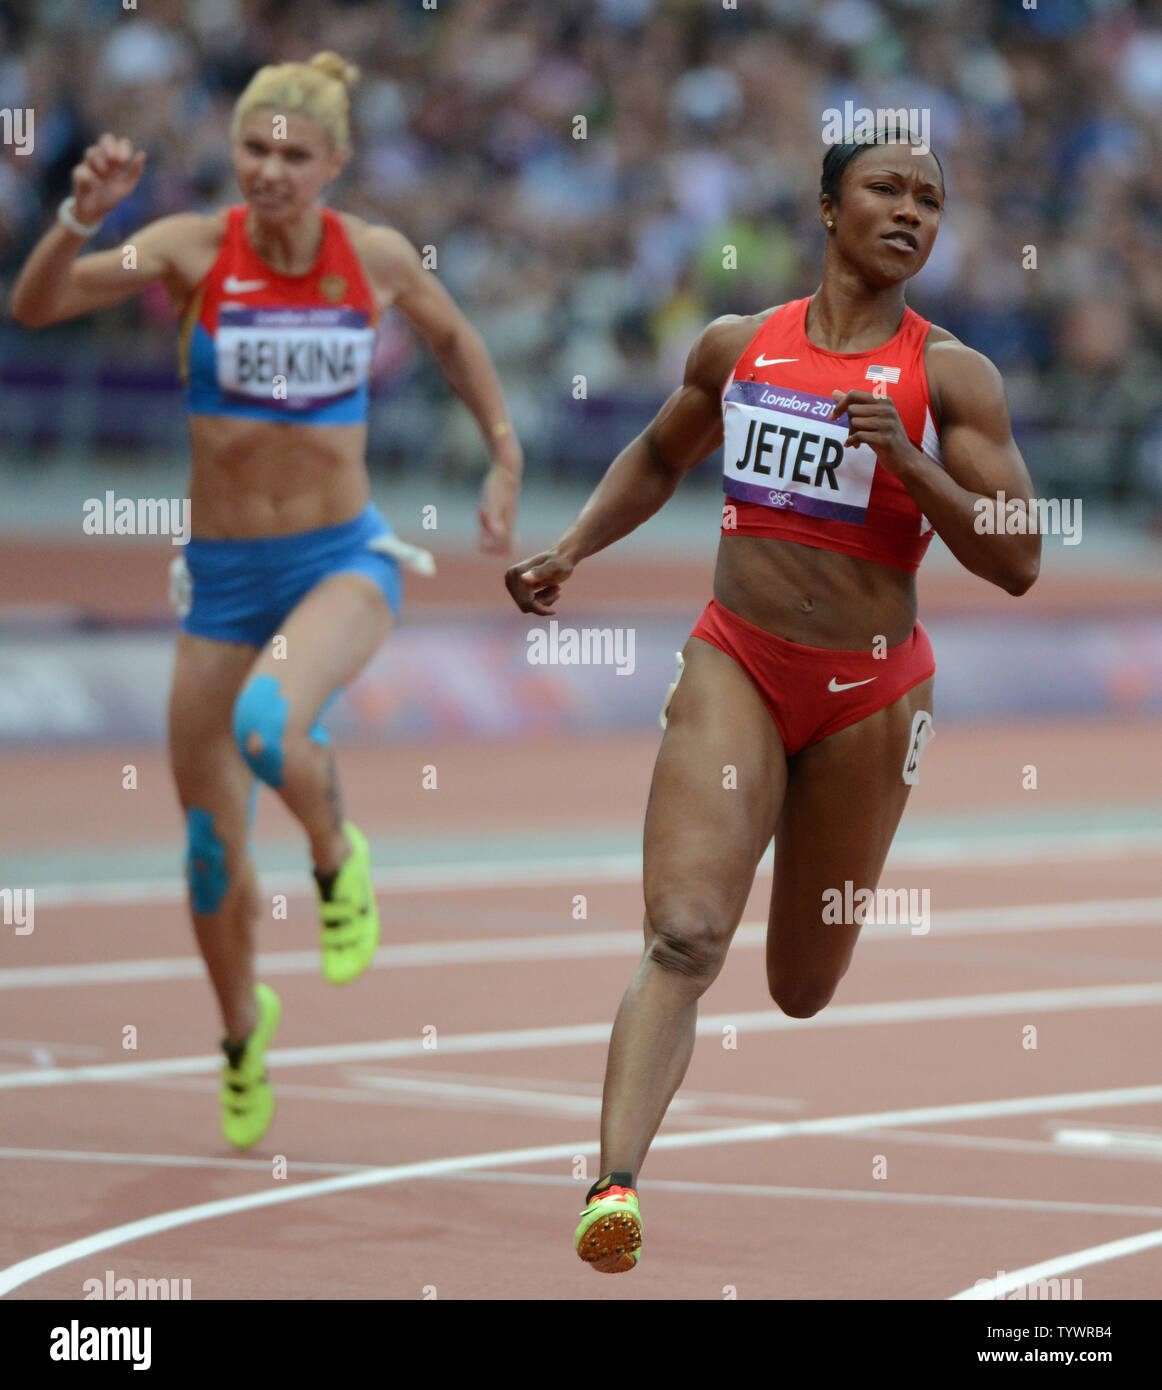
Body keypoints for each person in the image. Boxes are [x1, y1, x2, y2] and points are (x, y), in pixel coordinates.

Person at [505, 130, 1040, 1273]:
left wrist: (913, 462)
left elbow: (1017, 559)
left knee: (800, 985)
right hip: (735, 659)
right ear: (825, 208)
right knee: (685, 934)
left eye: (930, 201)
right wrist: (571, 548)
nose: (910, 213)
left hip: (867, 694)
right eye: (885, 190)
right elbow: (658, 455)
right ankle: (613, 1183)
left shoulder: (950, 376)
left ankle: (775, 985)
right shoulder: (738, 347)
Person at [12, 52, 522, 1149]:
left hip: (341, 560)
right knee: (206, 848)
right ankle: (242, 1030)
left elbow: (451, 336)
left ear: (333, 163)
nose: (272, 170)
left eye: (296, 154)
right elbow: (37, 303)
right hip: (224, 581)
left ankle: (338, 856)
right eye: (255, 149)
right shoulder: (196, 247)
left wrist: (503, 453)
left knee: (264, 728)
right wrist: (76, 218)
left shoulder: (373, 258)